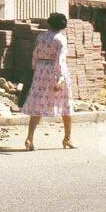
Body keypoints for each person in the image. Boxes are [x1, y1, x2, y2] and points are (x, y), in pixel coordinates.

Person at [23, 12, 75, 150]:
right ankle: (67, 138)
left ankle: (29, 138)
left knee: (38, 104)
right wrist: (61, 78)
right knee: (66, 104)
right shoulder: (60, 39)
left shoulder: (41, 36)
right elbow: (60, 60)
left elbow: (34, 54)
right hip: (55, 71)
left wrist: (35, 69)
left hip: (40, 70)